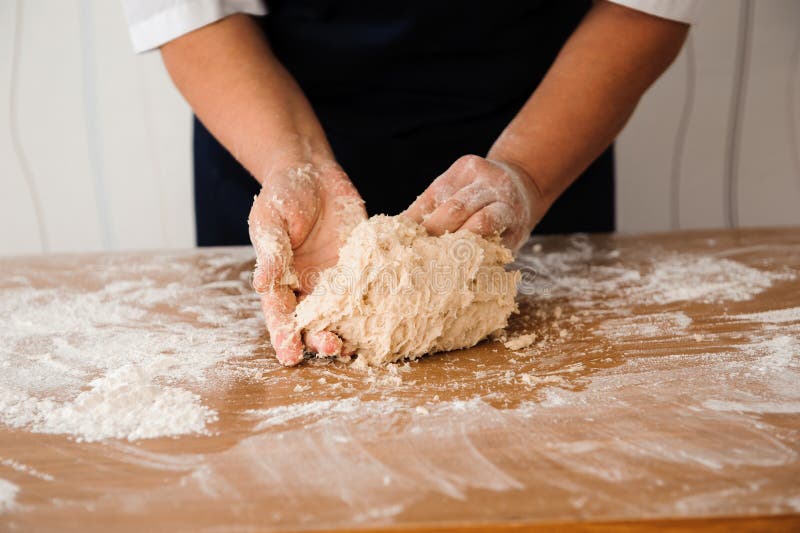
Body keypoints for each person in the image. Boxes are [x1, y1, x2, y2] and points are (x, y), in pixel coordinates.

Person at [124, 0, 697, 365]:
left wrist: (527, 174)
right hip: (269, 118)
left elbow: (642, 6)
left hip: (539, 113)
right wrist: (290, 161)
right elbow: (193, 12)